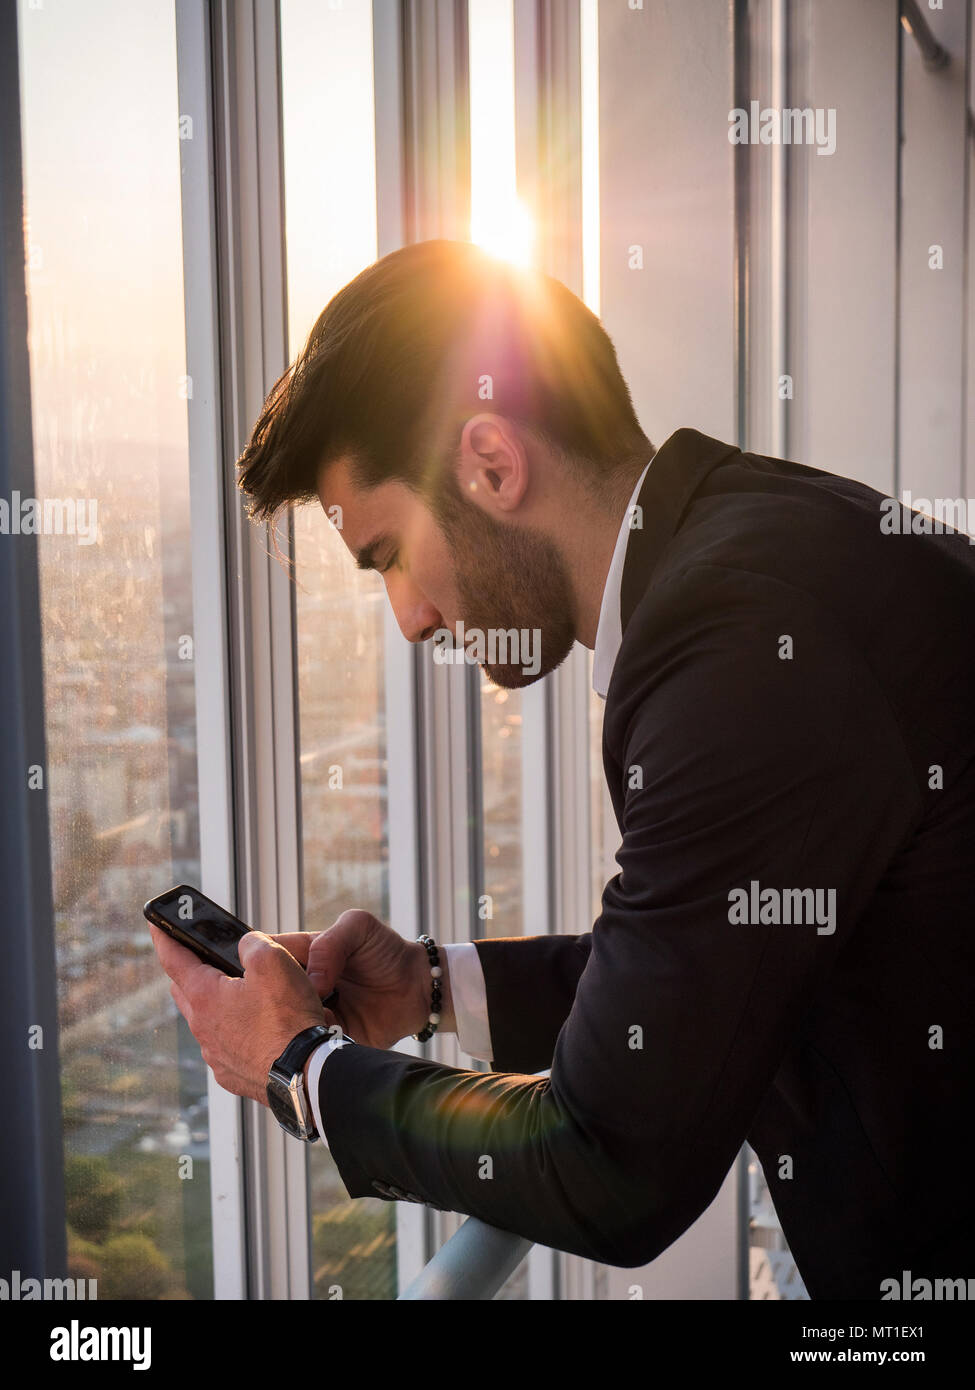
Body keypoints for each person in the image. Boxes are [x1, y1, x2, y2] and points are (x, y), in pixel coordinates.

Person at [150, 239, 975, 1298]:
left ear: (492, 463)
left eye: (388, 553)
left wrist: (302, 1071)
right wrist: (436, 986)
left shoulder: (729, 646)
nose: (408, 619)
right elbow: (713, 951)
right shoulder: (769, 532)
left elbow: (610, 1160)